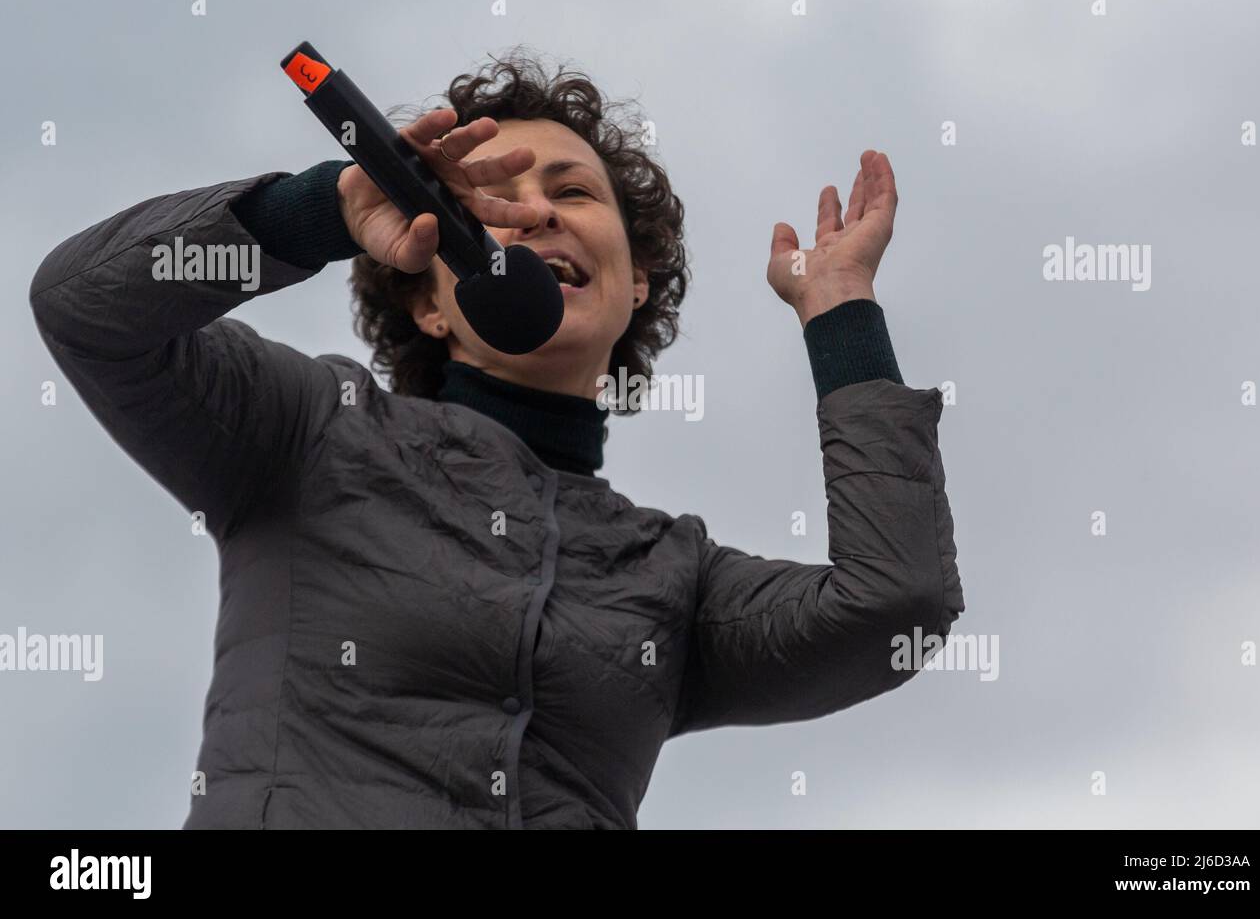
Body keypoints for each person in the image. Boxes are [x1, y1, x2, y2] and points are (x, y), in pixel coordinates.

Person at [29, 50, 964, 829]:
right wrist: (318, 212)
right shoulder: (310, 429)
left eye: (573, 191)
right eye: (499, 194)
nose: (543, 209)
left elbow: (896, 609)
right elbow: (82, 305)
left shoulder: (675, 577)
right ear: (430, 299)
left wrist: (841, 316)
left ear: (636, 284)